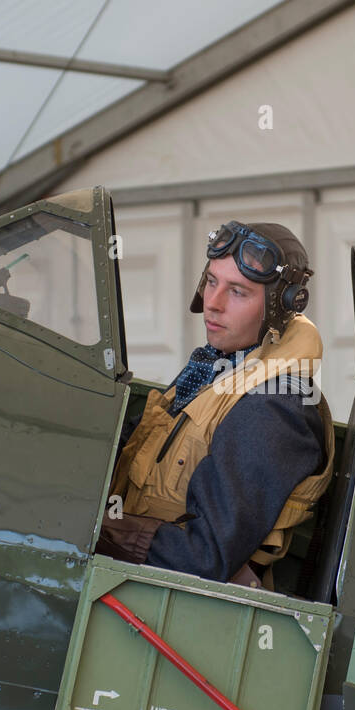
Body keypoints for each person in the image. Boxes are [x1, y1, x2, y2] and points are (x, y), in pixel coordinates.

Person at [95, 221, 334, 590]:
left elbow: (203, 557)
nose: (213, 303)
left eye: (238, 292)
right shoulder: (214, 368)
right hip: (135, 586)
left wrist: (96, 529)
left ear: (280, 307)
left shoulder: (273, 405)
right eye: (211, 281)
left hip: (178, 611)